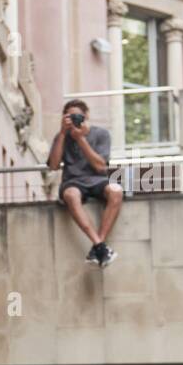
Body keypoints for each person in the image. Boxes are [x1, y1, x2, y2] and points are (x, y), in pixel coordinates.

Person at [47, 99, 123, 266]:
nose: (74, 120)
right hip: (72, 182)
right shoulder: (61, 137)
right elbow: (53, 165)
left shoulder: (101, 134)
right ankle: (100, 245)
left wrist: (81, 139)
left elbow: (101, 166)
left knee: (116, 191)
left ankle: (98, 246)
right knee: (71, 195)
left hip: (98, 180)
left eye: (78, 116)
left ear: (86, 116)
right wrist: (61, 133)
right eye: (70, 117)